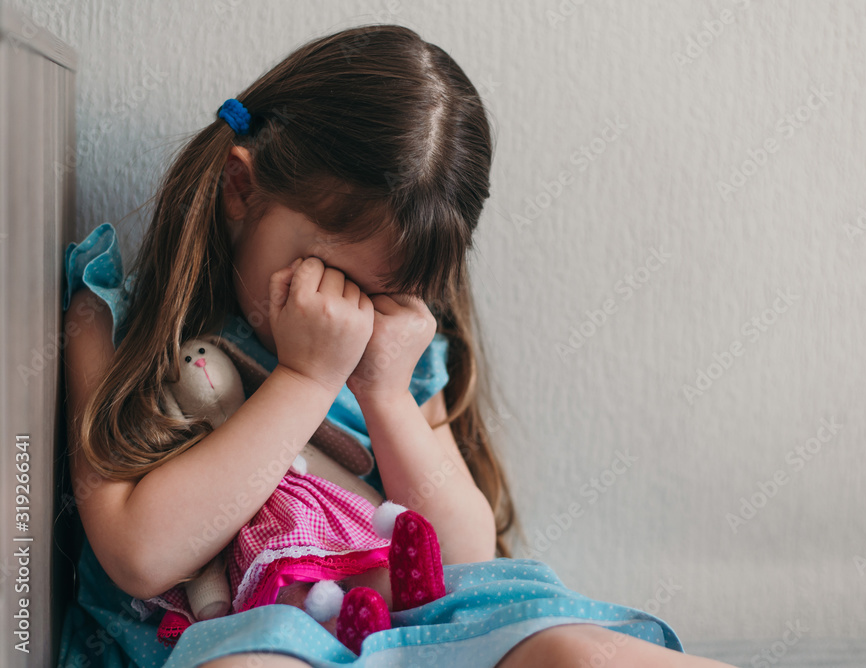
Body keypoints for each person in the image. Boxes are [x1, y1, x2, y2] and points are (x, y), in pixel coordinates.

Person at [58, 24, 737, 668]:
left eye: (382, 296)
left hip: (416, 632)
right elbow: (141, 556)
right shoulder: (115, 323)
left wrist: (384, 392)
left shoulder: (395, 358)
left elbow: (466, 560)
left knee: (577, 651)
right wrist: (304, 380)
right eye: (333, 277)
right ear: (242, 187)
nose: (346, 317)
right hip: (242, 633)